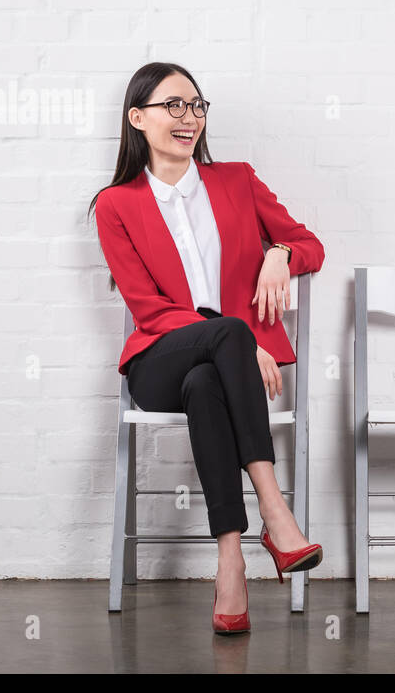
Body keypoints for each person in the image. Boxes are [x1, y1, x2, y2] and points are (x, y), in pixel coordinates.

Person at [89, 61, 325, 635]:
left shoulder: (237, 181)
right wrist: (239, 341)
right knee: (225, 338)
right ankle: (275, 513)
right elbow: (148, 309)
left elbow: (308, 245)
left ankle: (231, 563)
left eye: (196, 106)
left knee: (207, 385)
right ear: (137, 118)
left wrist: (279, 255)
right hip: (156, 362)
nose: (188, 117)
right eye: (173, 105)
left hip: (212, 375)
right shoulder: (115, 205)